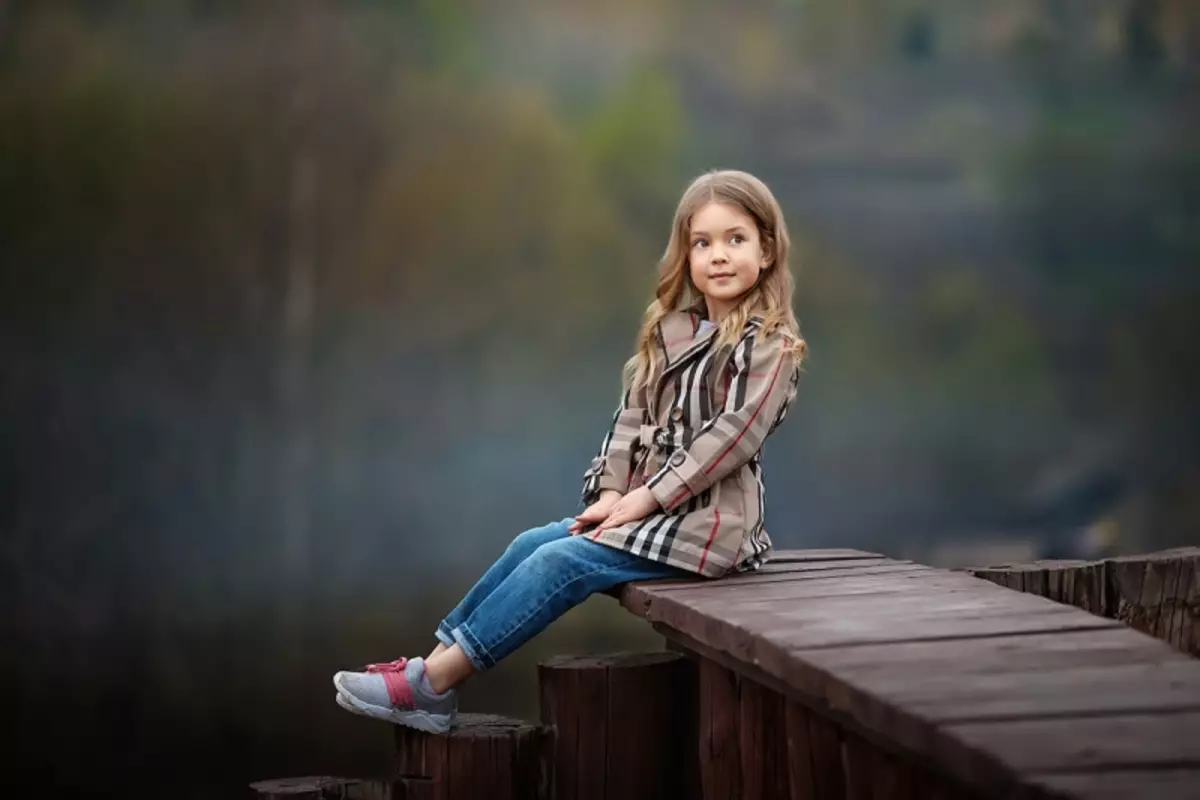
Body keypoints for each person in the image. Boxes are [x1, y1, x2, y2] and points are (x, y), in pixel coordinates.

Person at [333, 169, 807, 733]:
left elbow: (730, 439)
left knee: (563, 561)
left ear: (767, 249)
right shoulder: (671, 334)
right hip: (645, 516)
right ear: (685, 255)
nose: (719, 256)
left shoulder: (772, 348)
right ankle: (428, 668)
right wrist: (610, 494)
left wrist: (643, 501)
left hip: (707, 530)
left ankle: (434, 685)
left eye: (736, 239)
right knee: (534, 541)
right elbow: (630, 420)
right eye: (702, 243)